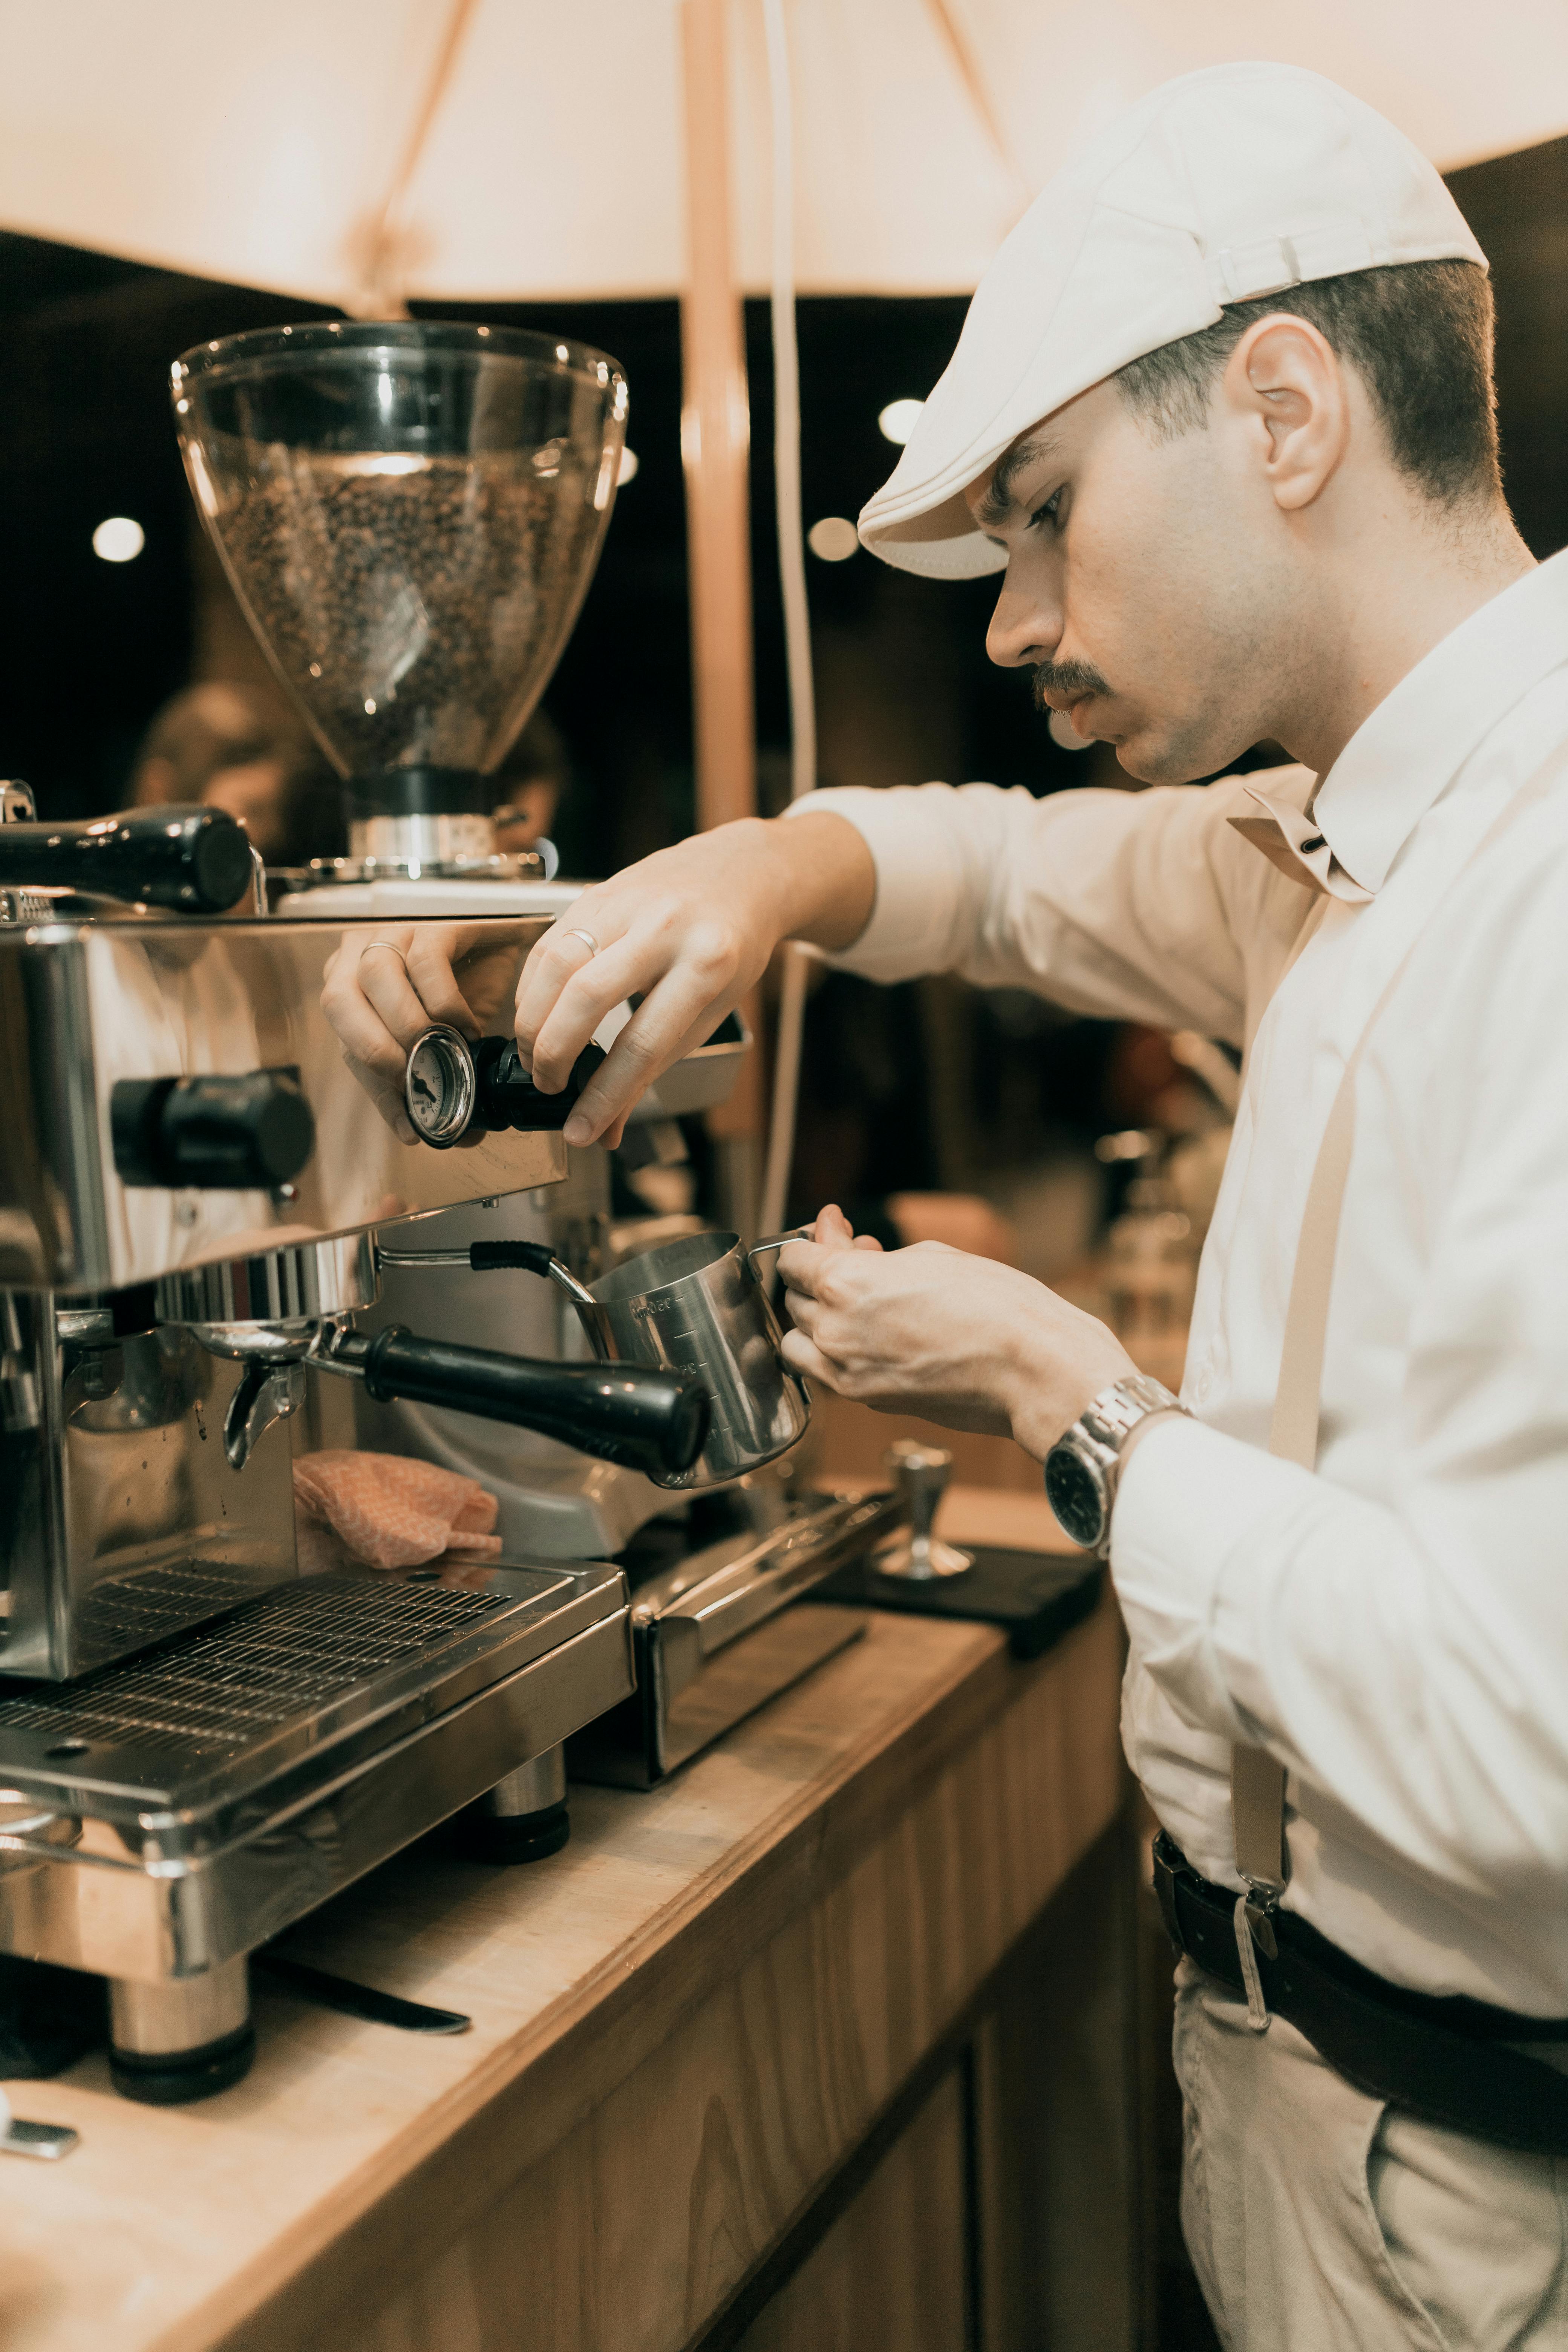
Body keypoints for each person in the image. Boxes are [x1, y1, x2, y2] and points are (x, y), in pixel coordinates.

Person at [324, 64, 1568, 2346]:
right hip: (1295, 2104)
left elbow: (1526, 1751)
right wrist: (754, 870)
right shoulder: (1355, 833)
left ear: (1284, 411)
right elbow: (990, 869)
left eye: (1046, 516)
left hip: (1478, 2197)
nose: (1009, 621)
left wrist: (1067, 1400)